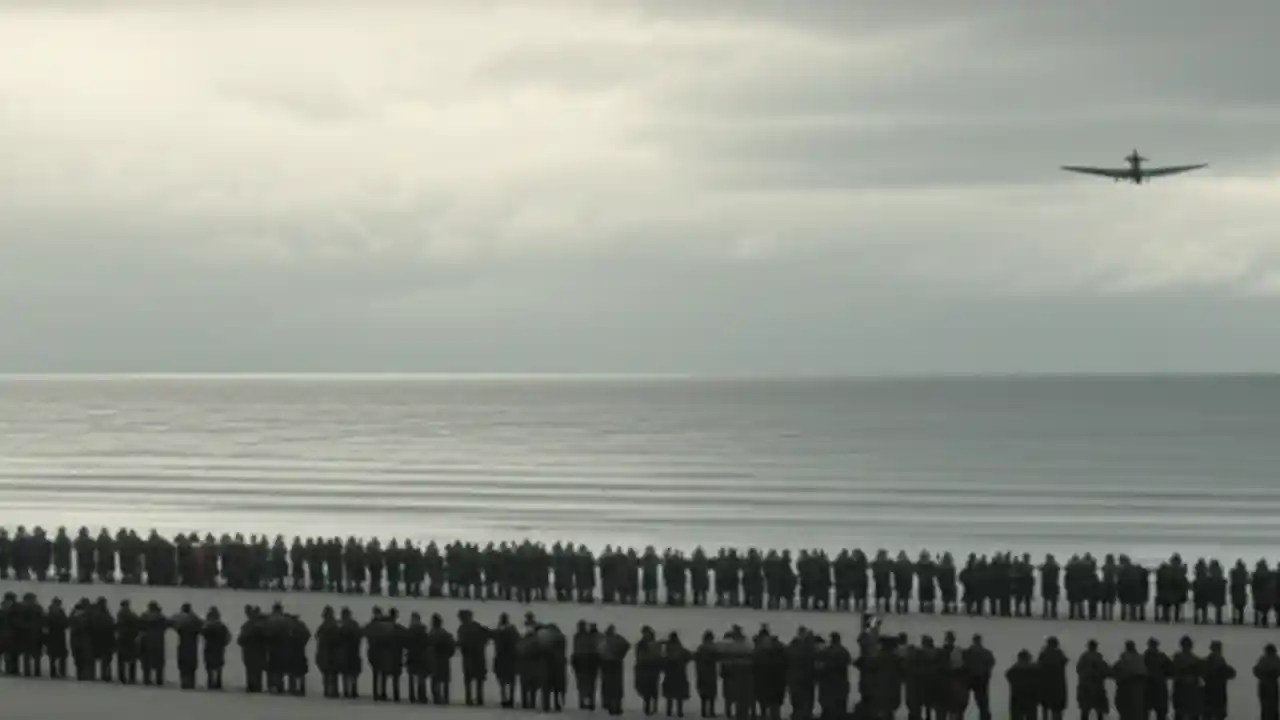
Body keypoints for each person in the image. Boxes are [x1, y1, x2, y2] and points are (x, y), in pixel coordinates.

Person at [457, 608, 491, 706]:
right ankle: (479, 698)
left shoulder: (462, 628)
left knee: (468, 679)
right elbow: (490, 635)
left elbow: (461, 643)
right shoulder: (479, 627)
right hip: (479, 657)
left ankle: (468, 699)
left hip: (468, 658)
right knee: (479, 680)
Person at [170, 602, 203, 689]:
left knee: (183, 667)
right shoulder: (195, 619)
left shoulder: (179, 619)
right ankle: (191, 685)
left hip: (183, 645)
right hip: (192, 647)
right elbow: (202, 628)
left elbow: (173, 624)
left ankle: (184, 684)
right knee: (191, 668)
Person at [1076, 640, 1111, 720]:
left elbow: (1078, 670)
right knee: (1099, 711)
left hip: (1085, 688)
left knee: (1085, 711)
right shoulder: (1099, 658)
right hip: (1097, 688)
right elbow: (1106, 671)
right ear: (1095, 647)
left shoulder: (1083, 657)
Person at [1200, 641, 1235, 720]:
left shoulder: (1206, 662)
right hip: (1219, 698)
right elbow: (1232, 673)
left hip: (1208, 697)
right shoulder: (1221, 663)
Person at [964, 634, 995, 720]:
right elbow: (991, 663)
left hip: (971, 679)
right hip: (980, 680)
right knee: (983, 705)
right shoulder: (986, 653)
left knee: (981, 704)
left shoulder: (968, 652)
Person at [1037, 637, 1069, 720]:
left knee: (1045, 709)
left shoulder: (1043, 654)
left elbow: (1038, 667)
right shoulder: (1059, 653)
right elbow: (1065, 661)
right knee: (1056, 711)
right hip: (1057, 687)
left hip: (1045, 687)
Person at [1170, 637, 1202, 720]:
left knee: (1180, 714)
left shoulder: (1177, 658)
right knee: (1192, 714)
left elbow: (1172, 673)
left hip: (1181, 692)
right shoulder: (1196, 659)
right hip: (1192, 693)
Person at [238, 605, 267, 693]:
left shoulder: (247, 626)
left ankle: (252, 689)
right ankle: (257, 689)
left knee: (251, 675)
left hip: (249, 655)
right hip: (260, 654)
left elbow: (240, 641)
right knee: (258, 675)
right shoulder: (264, 625)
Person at [665, 631, 693, 718]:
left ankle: (669, 711)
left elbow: (664, 660)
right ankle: (679, 711)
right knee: (679, 694)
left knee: (669, 694)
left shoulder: (668, 648)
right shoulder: (680, 648)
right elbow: (689, 656)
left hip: (669, 673)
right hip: (680, 673)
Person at [496, 613, 522, 708]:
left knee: (502, 682)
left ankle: (504, 699)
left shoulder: (499, 631)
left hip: (501, 659)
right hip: (512, 659)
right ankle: (511, 699)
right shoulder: (513, 631)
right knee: (511, 681)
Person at [139, 600, 167, 686]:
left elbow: (140, 627)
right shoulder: (161, 617)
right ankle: (159, 680)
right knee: (159, 663)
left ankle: (146, 680)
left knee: (146, 663)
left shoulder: (144, 616)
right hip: (158, 642)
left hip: (146, 641)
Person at [202, 607, 230, 690]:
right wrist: (223, 644)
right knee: (219, 667)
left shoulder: (208, 626)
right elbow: (228, 638)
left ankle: (210, 684)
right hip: (219, 649)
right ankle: (218, 684)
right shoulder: (222, 626)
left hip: (210, 648)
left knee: (209, 668)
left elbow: (203, 634)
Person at [1006, 649, 1039, 720]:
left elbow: (1008, 677)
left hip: (1016, 697)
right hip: (1030, 697)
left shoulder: (1014, 669)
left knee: (1016, 717)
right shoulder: (1034, 668)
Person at [1144, 639, 1172, 720]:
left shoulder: (1144, 657)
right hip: (1160, 688)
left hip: (1148, 688)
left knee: (1145, 713)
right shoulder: (1163, 657)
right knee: (1161, 714)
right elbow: (1170, 672)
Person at [695, 630, 719, 718]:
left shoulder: (700, 648)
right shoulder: (713, 648)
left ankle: (704, 712)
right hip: (710, 674)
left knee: (704, 695)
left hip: (701, 673)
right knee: (711, 694)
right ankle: (711, 712)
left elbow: (696, 660)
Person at [1256, 644, 1280, 720]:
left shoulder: (1262, 659)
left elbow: (1256, 670)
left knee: (1264, 707)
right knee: (1273, 707)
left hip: (1262, 685)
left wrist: (1262, 675)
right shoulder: (1276, 659)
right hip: (1272, 686)